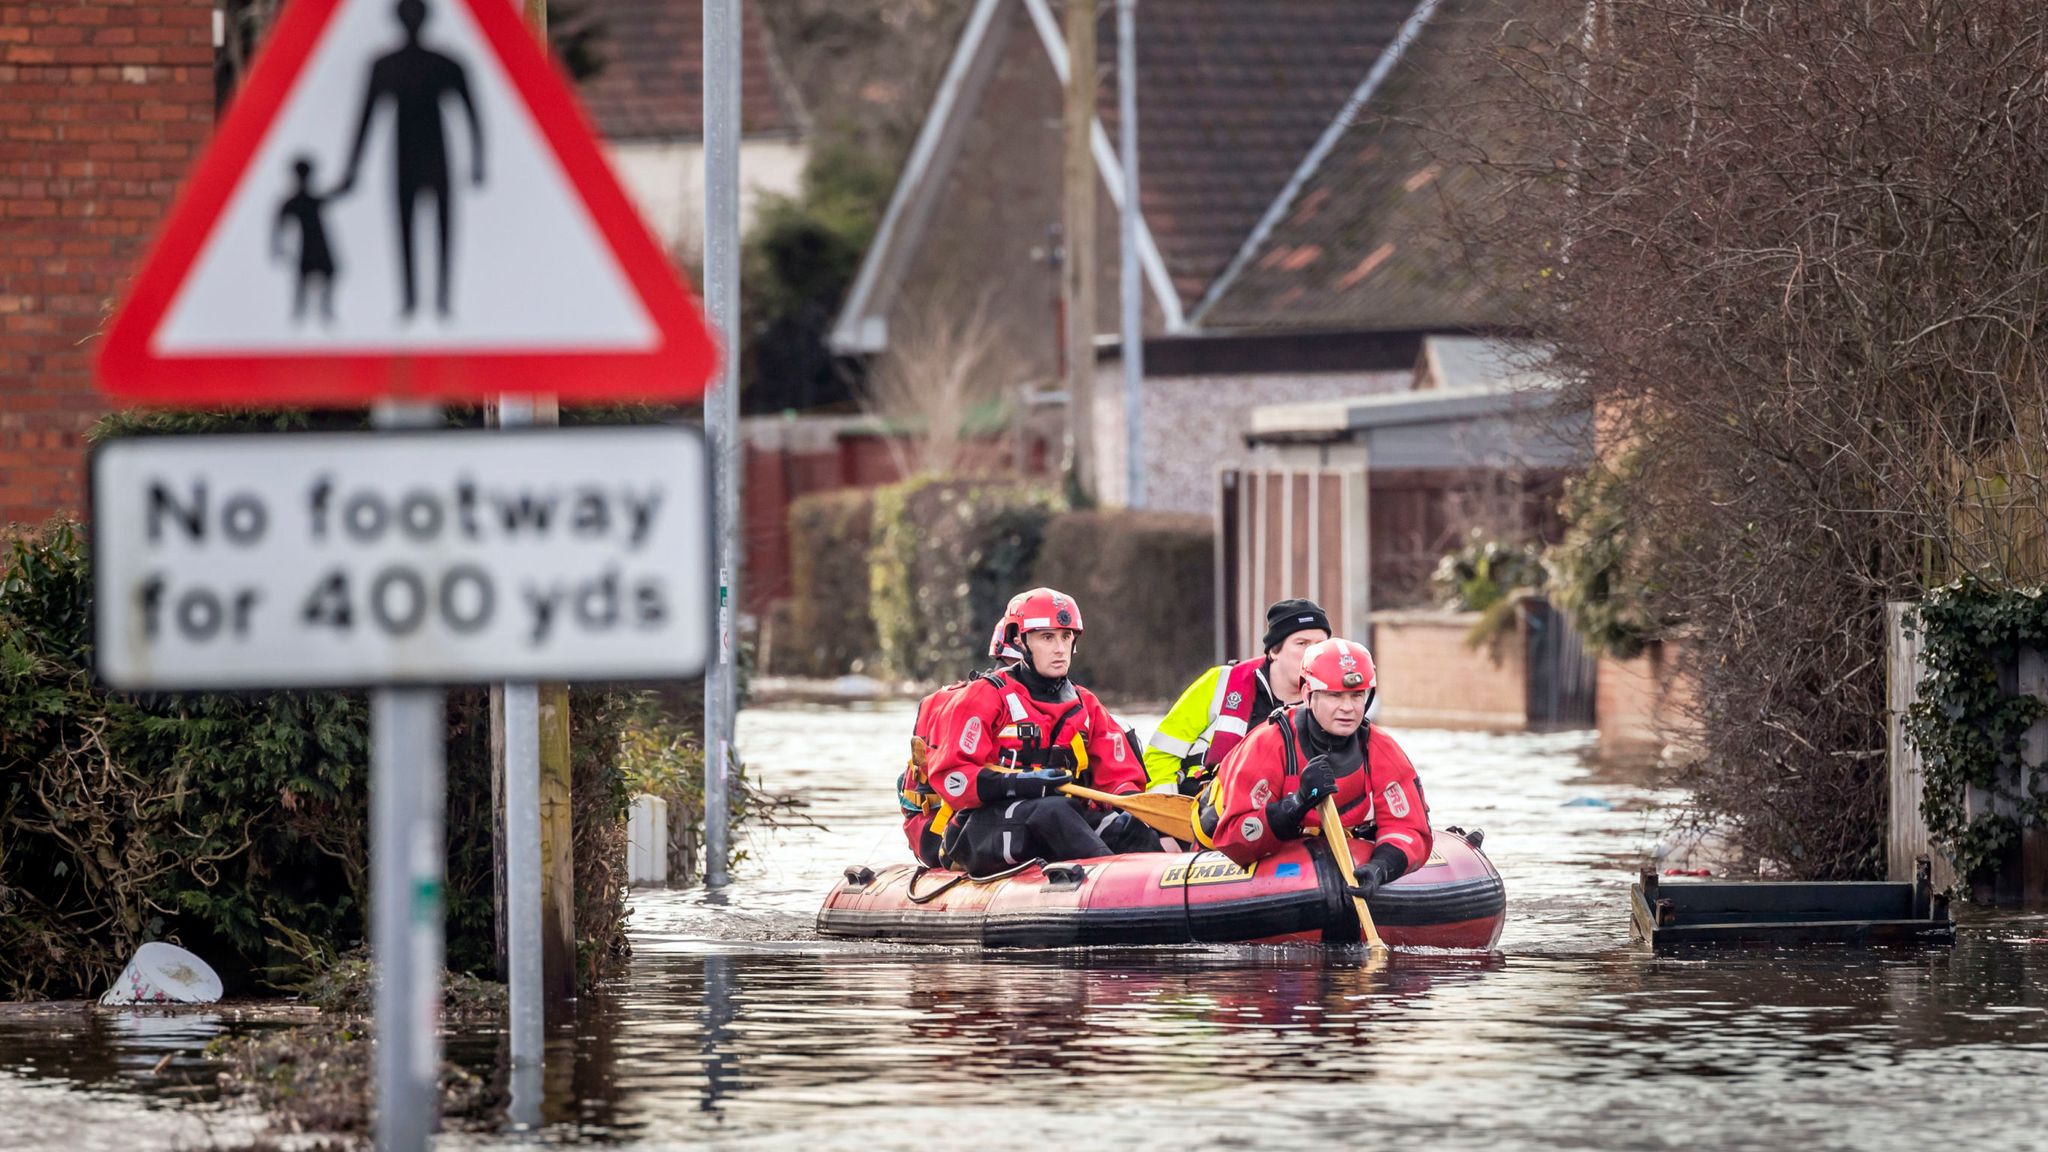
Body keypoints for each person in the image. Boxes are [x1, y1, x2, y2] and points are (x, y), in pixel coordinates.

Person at [915, 587, 1159, 873]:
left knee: (1128, 827)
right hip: (977, 827)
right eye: (1047, 637)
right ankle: (1112, 884)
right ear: (1020, 640)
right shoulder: (984, 697)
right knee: (1054, 811)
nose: (1059, 648)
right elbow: (954, 778)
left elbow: (1121, 778)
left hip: (1058, 818)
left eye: (1066, 637)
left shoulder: (1086, 704)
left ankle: (1164, 887)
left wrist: (1131, 803)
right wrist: (1022, 783)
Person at [1193, 637, 1432, 900]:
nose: (1348, 708)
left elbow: (1410, 828)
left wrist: (1380, 868)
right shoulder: (1269, 743)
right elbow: (1236, 839)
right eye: (1334, 695)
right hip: (1231, 850)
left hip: (1330, 853)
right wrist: (1297, 804)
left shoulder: (1381, 749)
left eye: (1357, 695)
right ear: (1308, 695)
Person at [1143, 598, 1331, 795]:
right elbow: (1161, 755)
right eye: (1302, 643)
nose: (1313, 653)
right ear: (1274, 651)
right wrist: (1167, 809)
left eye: (1321, 645)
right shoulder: (1221, 682)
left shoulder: (1336, 702)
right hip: (1195, 810)